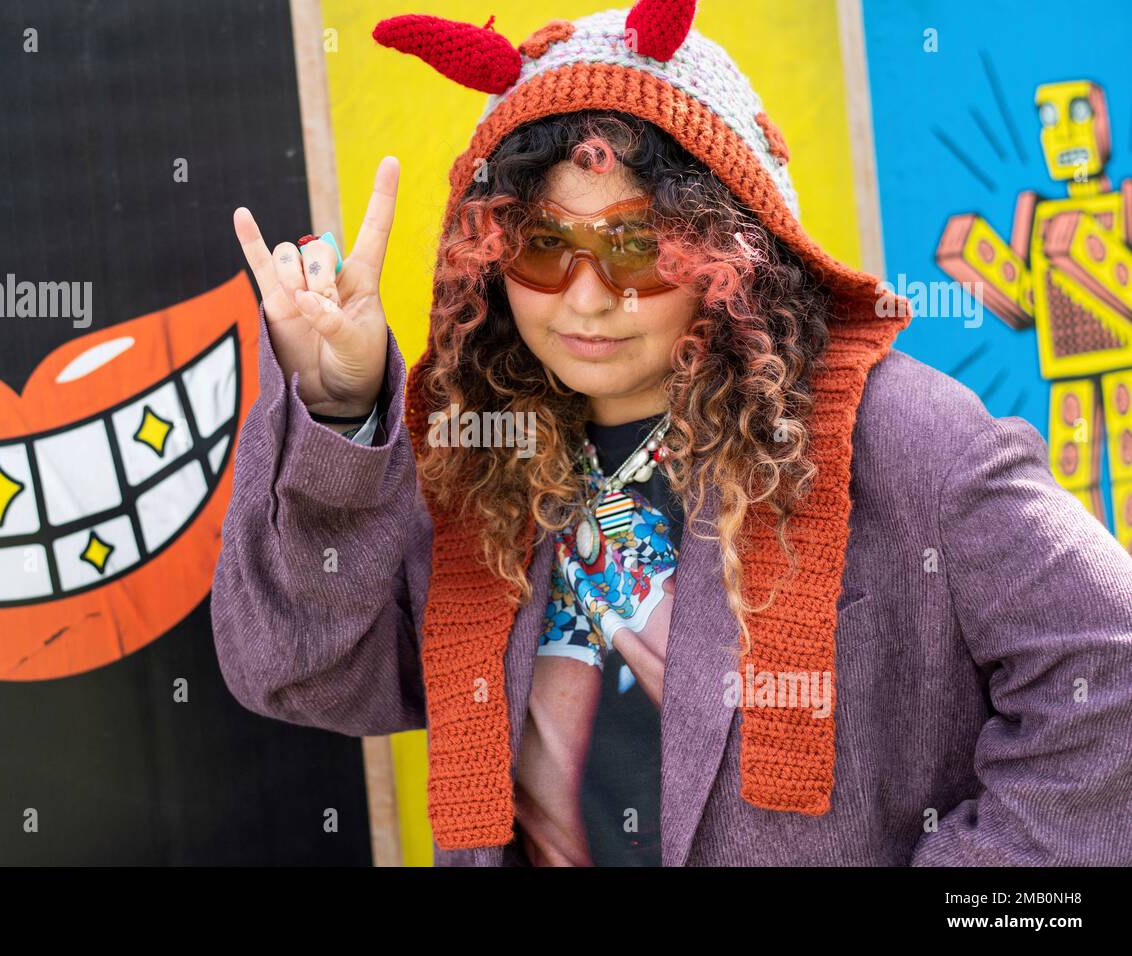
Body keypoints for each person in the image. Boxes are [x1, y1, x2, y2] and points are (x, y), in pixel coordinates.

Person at [211, 3, 1132, 867]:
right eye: (541, 244)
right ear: (490, 254)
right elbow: (293, 671)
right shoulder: (475, 457)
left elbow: (1110, 676)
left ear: (730, 255)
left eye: (635, 246)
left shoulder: (902, 435)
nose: (584, 295)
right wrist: (339, 406)